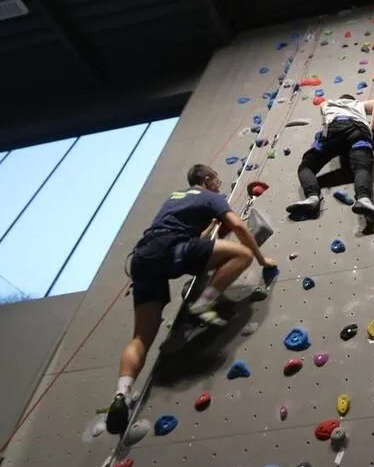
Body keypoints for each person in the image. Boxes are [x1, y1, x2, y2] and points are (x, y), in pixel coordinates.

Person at [106, 164, 276, 435]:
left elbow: (197, 239)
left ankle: (121, 394)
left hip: (143, 258)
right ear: (207, 180)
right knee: (241, 255)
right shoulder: (210, 197)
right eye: (217, 181)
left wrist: (211, 230)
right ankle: (204, 302)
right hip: (171, 249)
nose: (219, 186)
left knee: (141, 338)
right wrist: (260, 258)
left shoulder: (175, 197)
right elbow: (239, 226)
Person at [286, 94, 374, 226]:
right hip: (356, 130)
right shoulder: (358, 104)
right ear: (352, 99)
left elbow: (324, 120)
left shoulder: (327, 103)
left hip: (332, 131)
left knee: (306, 167)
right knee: (361, 168)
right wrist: (372, 130)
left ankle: (312, 197)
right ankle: (364, 199)